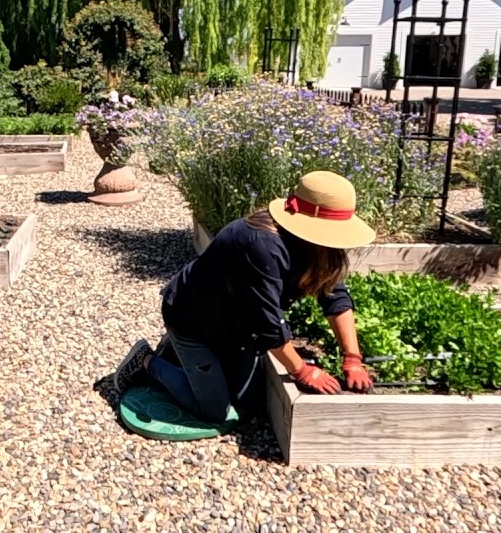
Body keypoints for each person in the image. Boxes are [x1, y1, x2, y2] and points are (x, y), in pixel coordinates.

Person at [112, 171, 376, 424]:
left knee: (248, 403)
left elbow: (335, 296)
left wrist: (352, 358)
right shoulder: (261, 245)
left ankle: (180, 355)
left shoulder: (320, 247)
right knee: (215, 410)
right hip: (193, 320)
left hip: (234, 322)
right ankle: (147, 361)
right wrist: (301, 370)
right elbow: (269, 326)